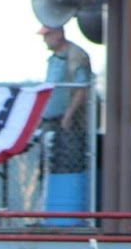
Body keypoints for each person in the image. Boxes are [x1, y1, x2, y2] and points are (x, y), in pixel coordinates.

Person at [38, 24, 92, 176]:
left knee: (68, 167)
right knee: (48, 168)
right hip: (50, 122)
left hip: (69, 124)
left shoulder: (76, 55)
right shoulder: (53, 59)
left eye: (47, 35)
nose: (44, 40)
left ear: (59, 34)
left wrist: (68, 116)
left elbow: (82, 88)